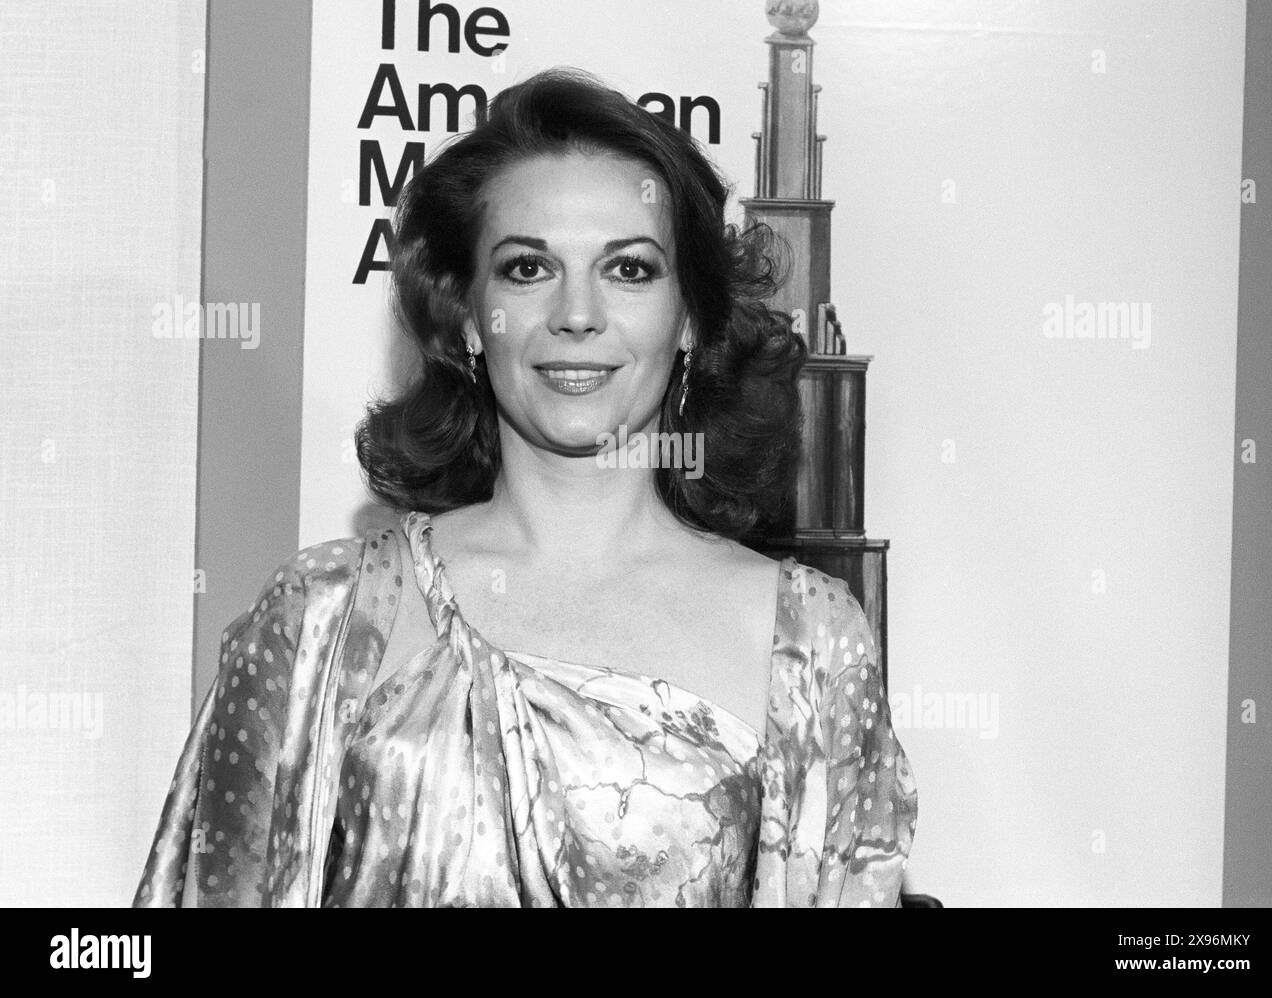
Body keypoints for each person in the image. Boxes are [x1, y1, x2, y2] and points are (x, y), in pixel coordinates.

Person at [133, 66, 918, 908]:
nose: (576, 314)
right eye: (527, 269)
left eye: (629, 270)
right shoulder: (315, 622)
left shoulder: (809, 644)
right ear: (466, 314)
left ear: (690, 317)